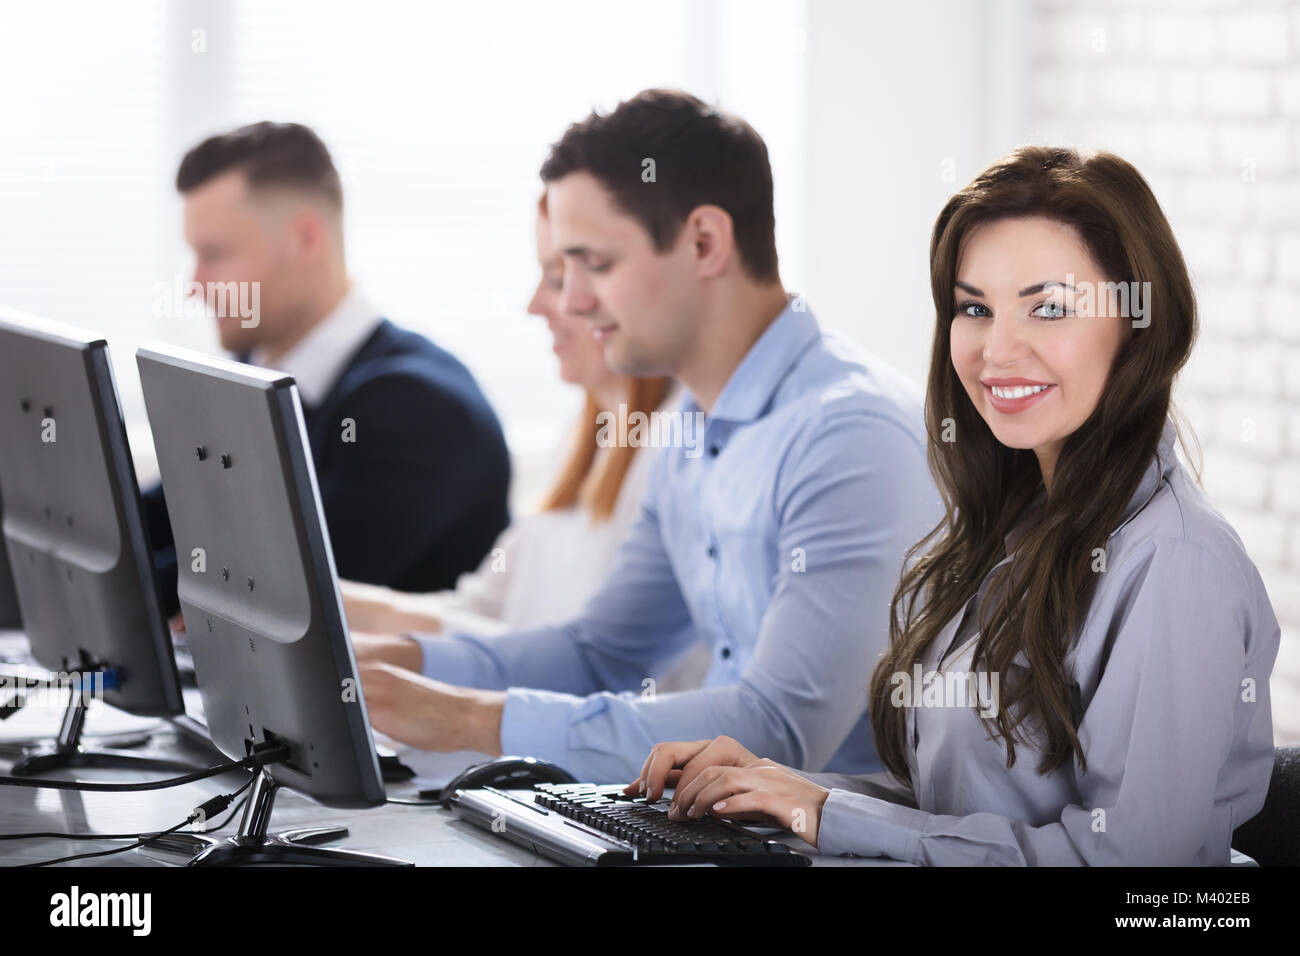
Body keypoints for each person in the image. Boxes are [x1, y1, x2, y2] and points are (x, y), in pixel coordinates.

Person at [632, 146, 1281, 866]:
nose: (997, 351)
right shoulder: (1015, 529)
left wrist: (824, 814)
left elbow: (1130, 866)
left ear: (1138, 322)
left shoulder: (1174, 563)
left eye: (1050, 308)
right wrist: (774, 787)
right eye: (974, 308)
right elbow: (963, 819)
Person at [353, 89, 941, 782]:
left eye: (594, 264)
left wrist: (466, 719)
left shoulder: (850, 435)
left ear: (704, 243)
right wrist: (391, 669)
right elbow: (602, 653)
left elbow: (777, 733)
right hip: (728, 828)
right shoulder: (691, 426)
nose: (570, 300)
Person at [141, 122, 511, 616]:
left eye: (214, 255)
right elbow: (164, 515)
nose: (195, 284)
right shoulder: (254, 371)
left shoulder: (419, 411)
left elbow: (270, 587)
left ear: (305, 238)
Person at [341, 193, 708, 690]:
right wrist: (318, 604)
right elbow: (480, 610)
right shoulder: (580, 440)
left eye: (560, 278)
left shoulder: (679, 449)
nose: (536, 306)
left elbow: (592, 667)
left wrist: (394, 655)